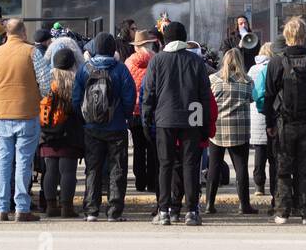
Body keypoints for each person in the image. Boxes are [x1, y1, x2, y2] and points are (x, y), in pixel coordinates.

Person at [141, 20, 214, 227]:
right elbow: (204, 95)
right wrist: (205, 124)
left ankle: (164, 211)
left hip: (165, 117)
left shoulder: (157, 61)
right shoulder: (196, 61)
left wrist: (147, 119)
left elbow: (149, 93)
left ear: (166, 38)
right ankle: (192, 211)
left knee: (165, 165)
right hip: (192, 116)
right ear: (184, 38)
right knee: (190, 165)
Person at [0, 18, 51, 222]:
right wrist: (37, 97)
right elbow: (46, 82)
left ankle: (1, 207)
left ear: (6, 34)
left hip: (2, 113)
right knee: (23, 161)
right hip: (27, 113)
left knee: (3, 160)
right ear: (24, 32)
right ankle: (21, 207)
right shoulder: (31, 52)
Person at [263, 17, 306, 225]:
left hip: (284, 124)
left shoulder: (276, 61)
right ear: (304, 36)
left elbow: (269, 95)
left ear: (286, 35)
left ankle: (282, 211)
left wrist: (270, 124)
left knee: (283, 168)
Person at [73, 32, 137, 221]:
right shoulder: (120, 69)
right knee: (117, 168)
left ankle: (91, 210)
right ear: (113, 49)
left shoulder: (85, 69)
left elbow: (76, 99)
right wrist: (123, 116)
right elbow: (129, 98)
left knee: (93, 168)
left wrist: (85, 118)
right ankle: (114, 211)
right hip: (116, 127)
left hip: (91, 127)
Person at [207, 48, 258, 216]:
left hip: (218, 128)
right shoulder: (247, 81)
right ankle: (244, 205)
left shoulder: (213, 80)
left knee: (214, 166)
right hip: (239, 128)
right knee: (241, 167)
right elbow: (253, 99)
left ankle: (209, 204)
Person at [40, 48, 84, 218]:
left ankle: (51, 206)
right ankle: (67, 207)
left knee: (50, 170)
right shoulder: (76, 81)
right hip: (70, 133)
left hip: (47, 132)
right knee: (68, 172)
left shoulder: (47, 80)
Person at [125, 28, 159, 193]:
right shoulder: (155, 60)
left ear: (136, 46)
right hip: (152, 110)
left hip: (134, 110)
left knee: (138, 148)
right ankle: (153, 182)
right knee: (152, 148)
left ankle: (140, 182)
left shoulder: (129, 62)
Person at [249, 43, 276, 200]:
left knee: (259, 152)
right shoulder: (274, 67)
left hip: (256, 114)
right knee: (273, 154)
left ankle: (259, 185)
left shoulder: (253, 69)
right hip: (271, 113)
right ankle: (274, 187)